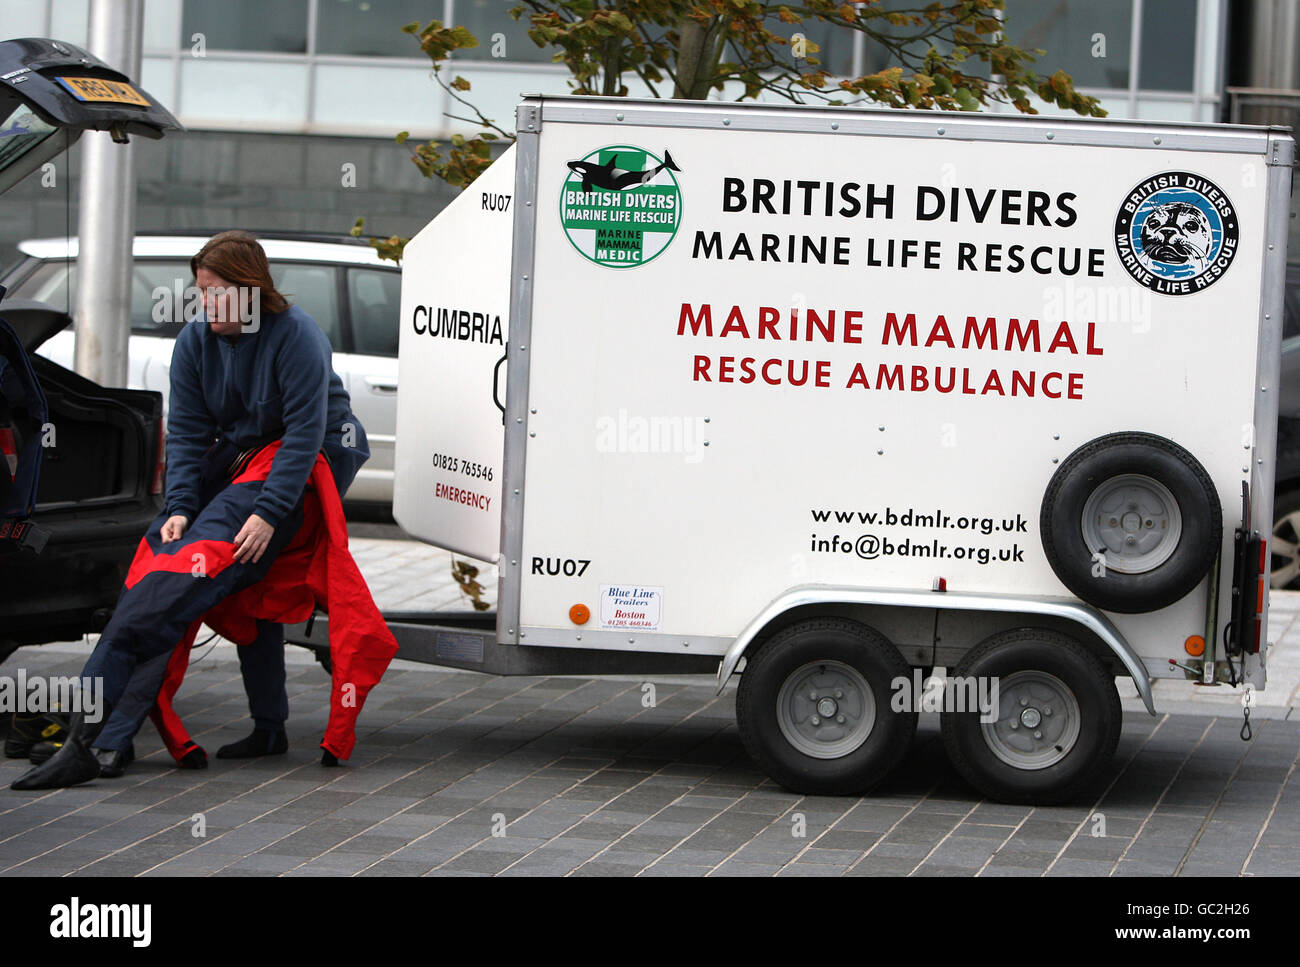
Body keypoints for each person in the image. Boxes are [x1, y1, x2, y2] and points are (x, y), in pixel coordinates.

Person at [12, 231, 389, 790]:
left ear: (249, 289)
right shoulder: (194, 341)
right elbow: (187, 434)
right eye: (199, 291)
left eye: (214, 291)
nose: (203, 302)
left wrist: (267, 513)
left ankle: (99, 741)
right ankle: (268, 728)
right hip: (241, 460)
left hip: (305, 462)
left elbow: (305, 435)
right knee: (201, 575)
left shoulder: (298, 337)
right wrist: (181, 507)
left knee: (181, 581)